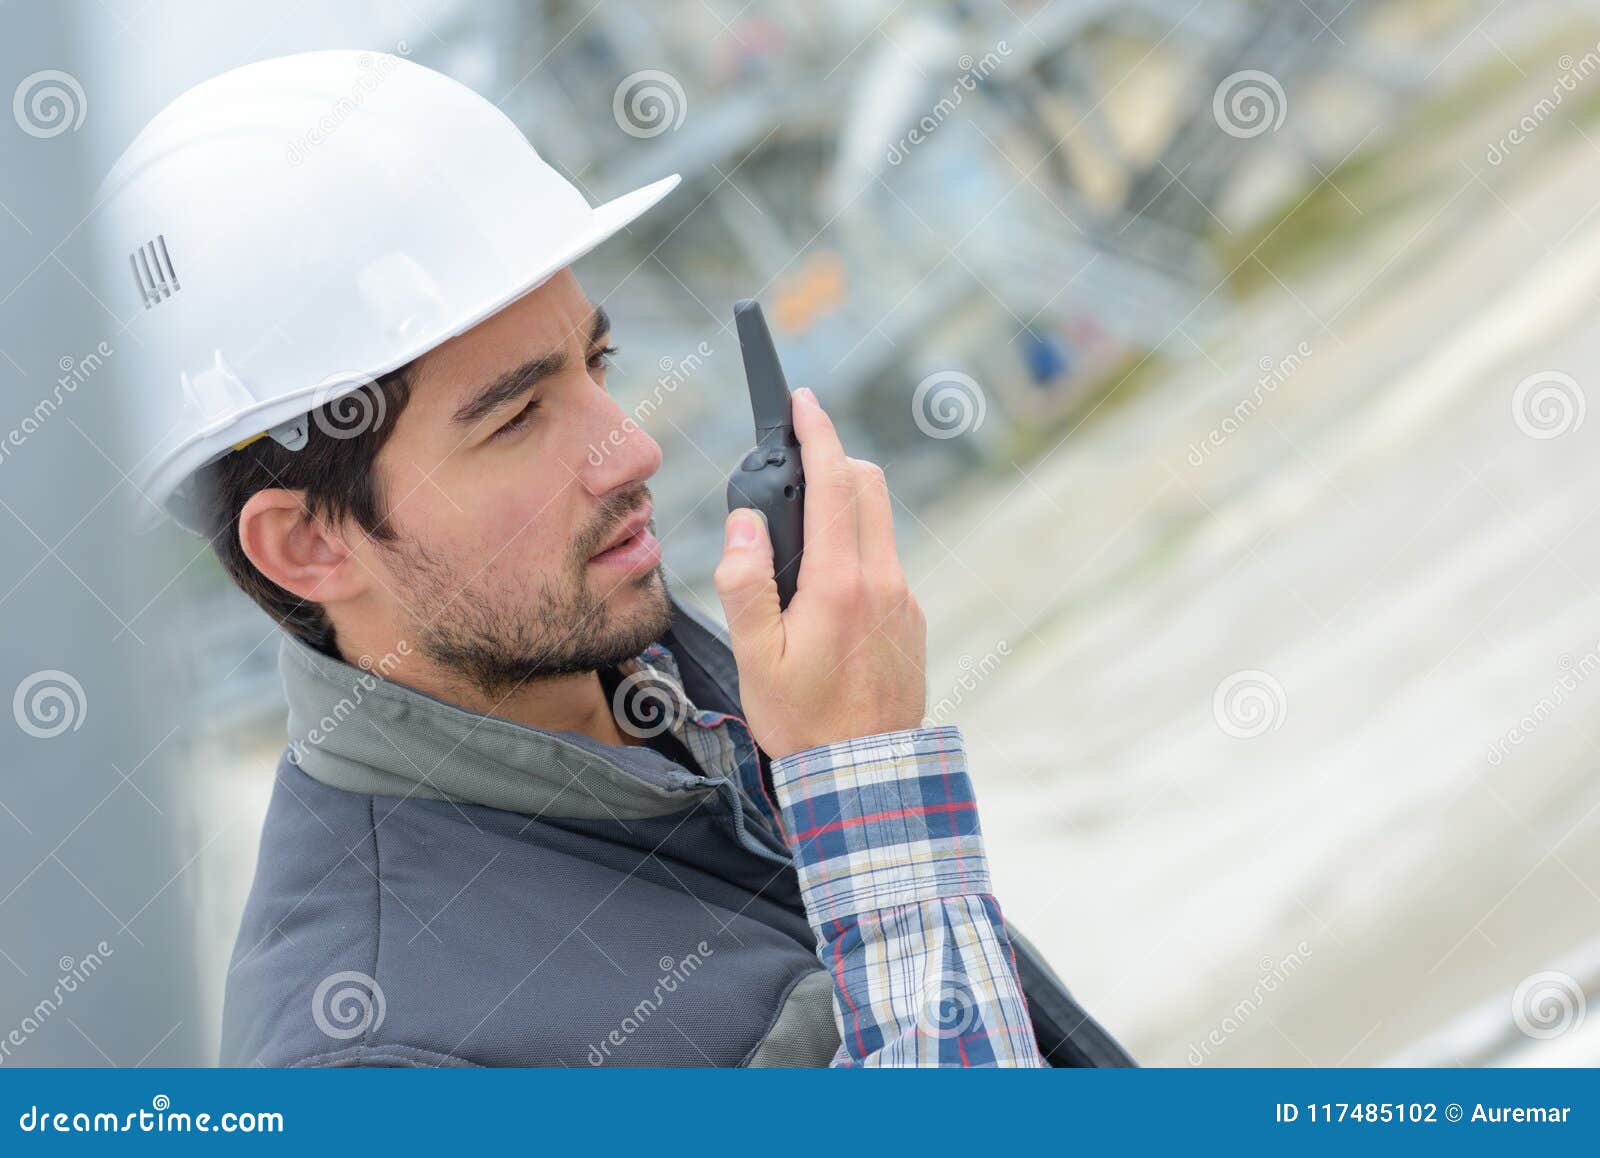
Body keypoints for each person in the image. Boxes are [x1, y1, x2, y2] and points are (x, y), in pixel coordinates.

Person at [99, 50, 1129, 1067]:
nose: (631, 448)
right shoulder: (376, 1059)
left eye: (596, 364)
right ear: (309, 544)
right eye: (516, 418)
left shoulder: (657, 670)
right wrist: (868, 804)